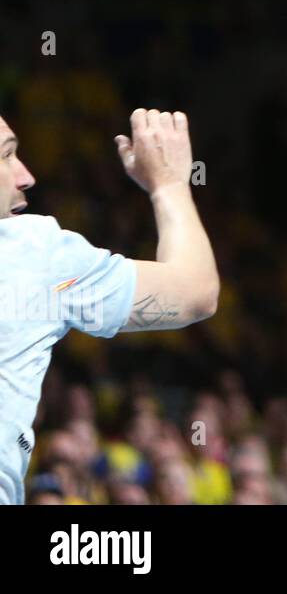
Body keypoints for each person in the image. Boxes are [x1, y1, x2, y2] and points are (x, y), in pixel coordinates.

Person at [0, 109, 220, 504]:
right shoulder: (31, 251)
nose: (25, 175)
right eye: (6, 155)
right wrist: (168, 186)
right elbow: (196, 292)